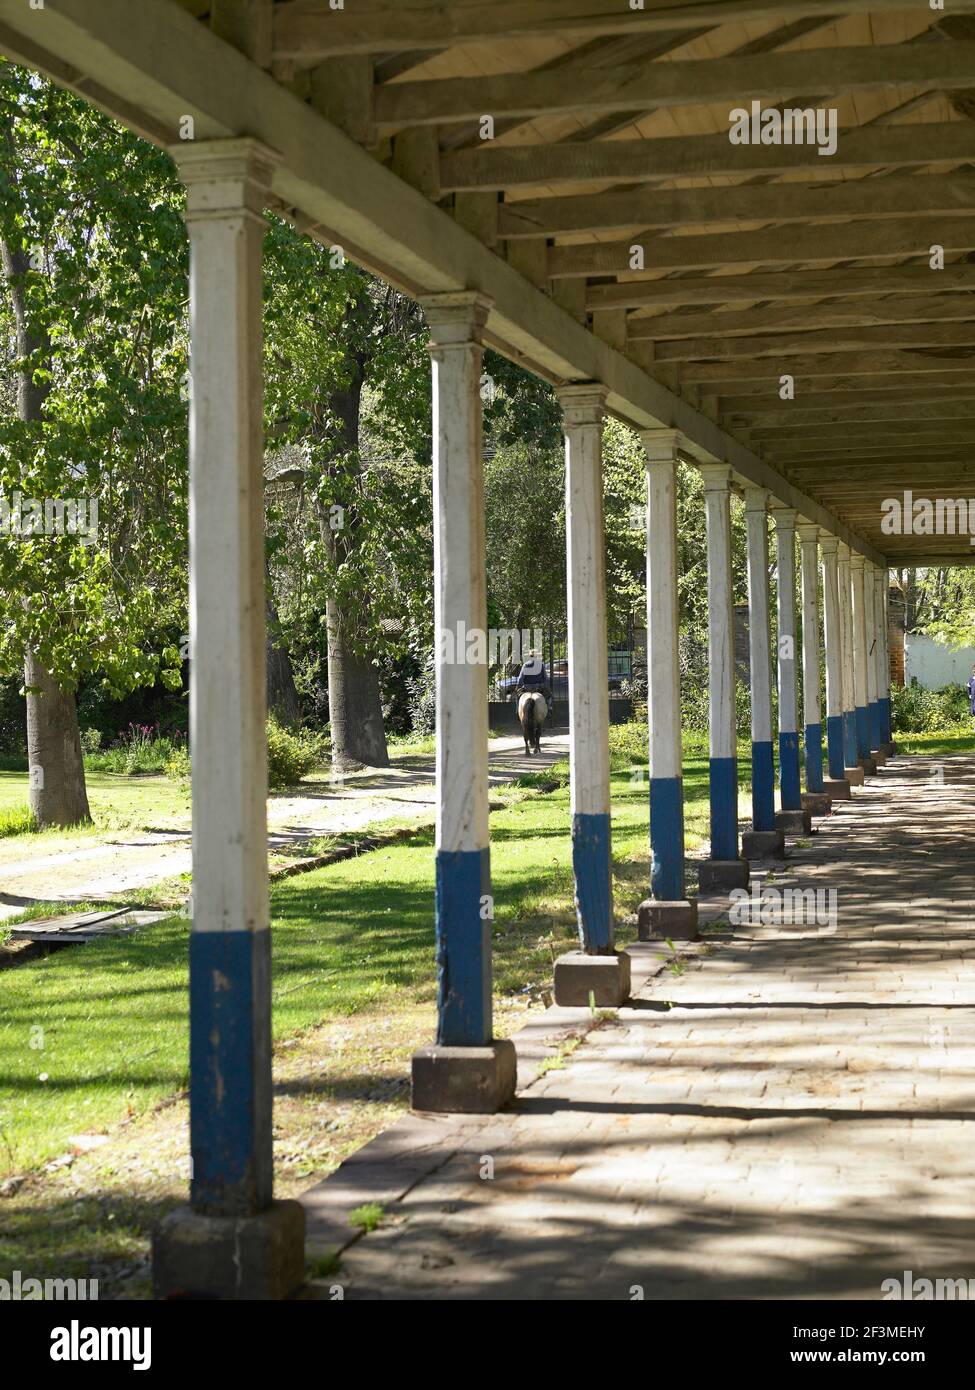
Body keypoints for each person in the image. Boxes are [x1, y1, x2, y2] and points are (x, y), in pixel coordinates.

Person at [968, 665, 975, 729]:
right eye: (974, 669)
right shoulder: (971, 679)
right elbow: (969, 687)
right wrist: (969, 695)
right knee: (974, 711)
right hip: (973, 698)